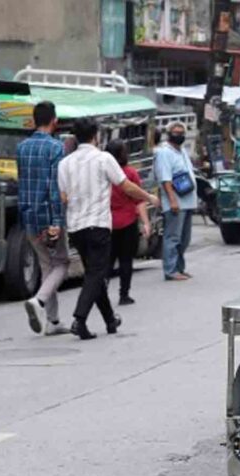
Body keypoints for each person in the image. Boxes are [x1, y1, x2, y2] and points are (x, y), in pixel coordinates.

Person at [58, 119, 159, 340]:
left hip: (76, 226)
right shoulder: (103, 159)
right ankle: (80, 319)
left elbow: (63, 197)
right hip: (98, 225)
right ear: (96, 136)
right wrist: (149, 196)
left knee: (94, 272)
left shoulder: (64, 163)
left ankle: (110, 320)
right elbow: (126, 185)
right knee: (97, 273)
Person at [17, 101, 70, 336]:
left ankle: (54, 321)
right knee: (62, 263)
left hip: (28, 216)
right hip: (49, 216)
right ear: (54, 120)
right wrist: (57, 222)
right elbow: (54, 187)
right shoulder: (56, 148)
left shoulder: (22, 147)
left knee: (46, 265)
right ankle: (38, 300)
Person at [106, 139, 152, 306]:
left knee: (107, 261)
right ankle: (124, 294)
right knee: (126, 260)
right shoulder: (130, 173)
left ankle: (101, 294)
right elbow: (139, 200)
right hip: (128, 222)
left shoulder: (104, 174)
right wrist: (146, 222)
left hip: (107, 223)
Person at [154, 123, 197, 281]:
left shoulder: (182, 151)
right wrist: (172, 200)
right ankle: (170, 270)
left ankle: (179, 267)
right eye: (176, 132)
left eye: (182, 132)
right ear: (169, 134)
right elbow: (165, 179)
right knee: (173, 237)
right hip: (176, 203)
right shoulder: (164, 153)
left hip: (188, 201)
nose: (179, 135)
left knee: (184, 239)